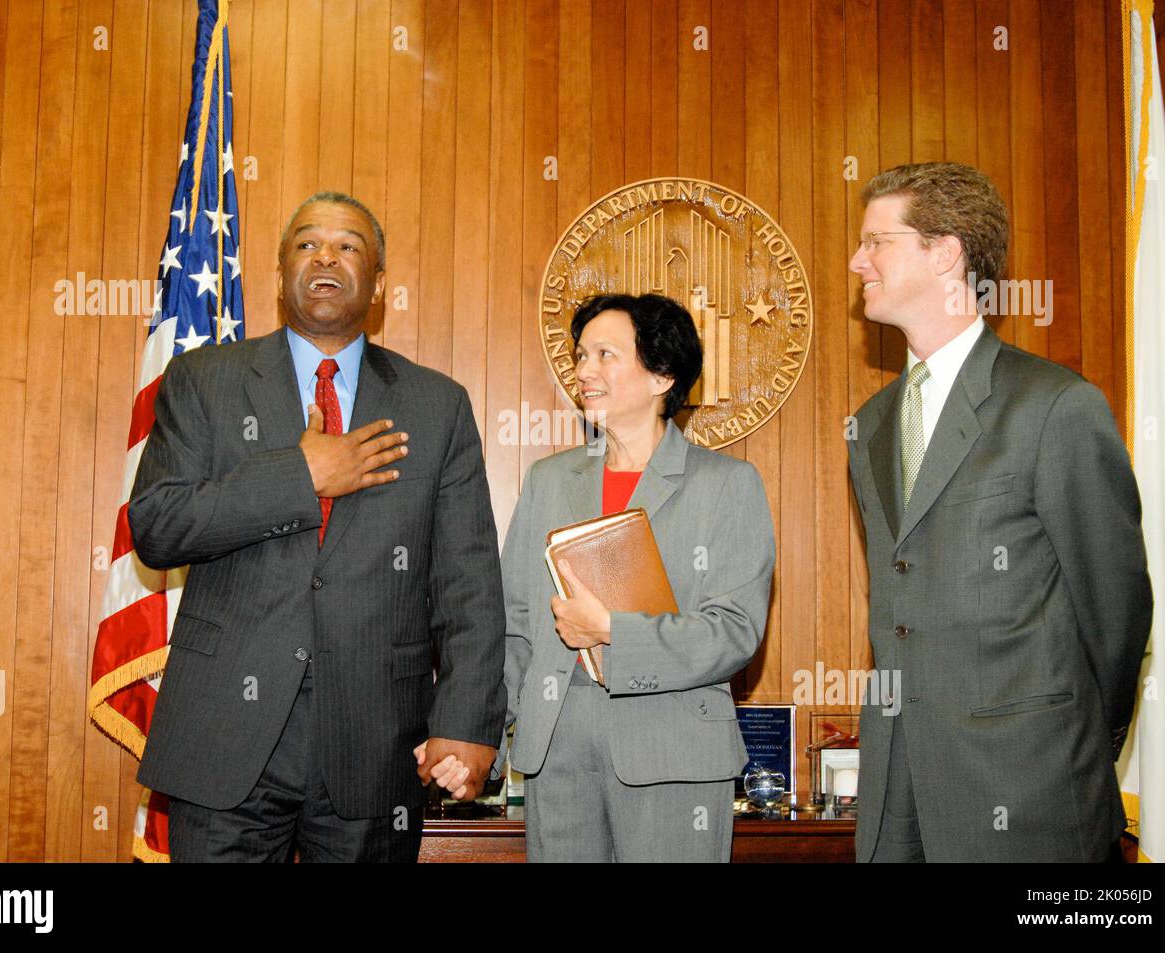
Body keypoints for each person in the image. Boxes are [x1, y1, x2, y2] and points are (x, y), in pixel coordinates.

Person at [128, 191, 506, 862]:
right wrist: (297, 476)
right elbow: (157, 527)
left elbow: (468, 586)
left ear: (380, 283)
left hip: (374, 743)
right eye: (307, 244)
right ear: (280, 275)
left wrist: (469, 722)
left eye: (348, 246)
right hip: (224, 736)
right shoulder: (202, 381)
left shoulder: (437, 405)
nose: (326, 256)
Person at [846, 162, 1152, 862]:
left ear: (946, 252)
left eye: (876, 241)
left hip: (1031, 792)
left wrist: (1064, 740)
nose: (857, 260)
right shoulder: (869, 427)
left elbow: (1116, 612)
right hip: (897, 797)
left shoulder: (1054, 406)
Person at [486, 292, 774, 862]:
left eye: (605, 355)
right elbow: (514, 624)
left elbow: (734, 630)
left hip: (674, 753)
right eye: (580, 356)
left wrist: (614, 630)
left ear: (662, 375)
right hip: (557, 750)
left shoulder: (727, 484)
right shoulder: (548, 480)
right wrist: (482, 739)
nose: (583, 371)